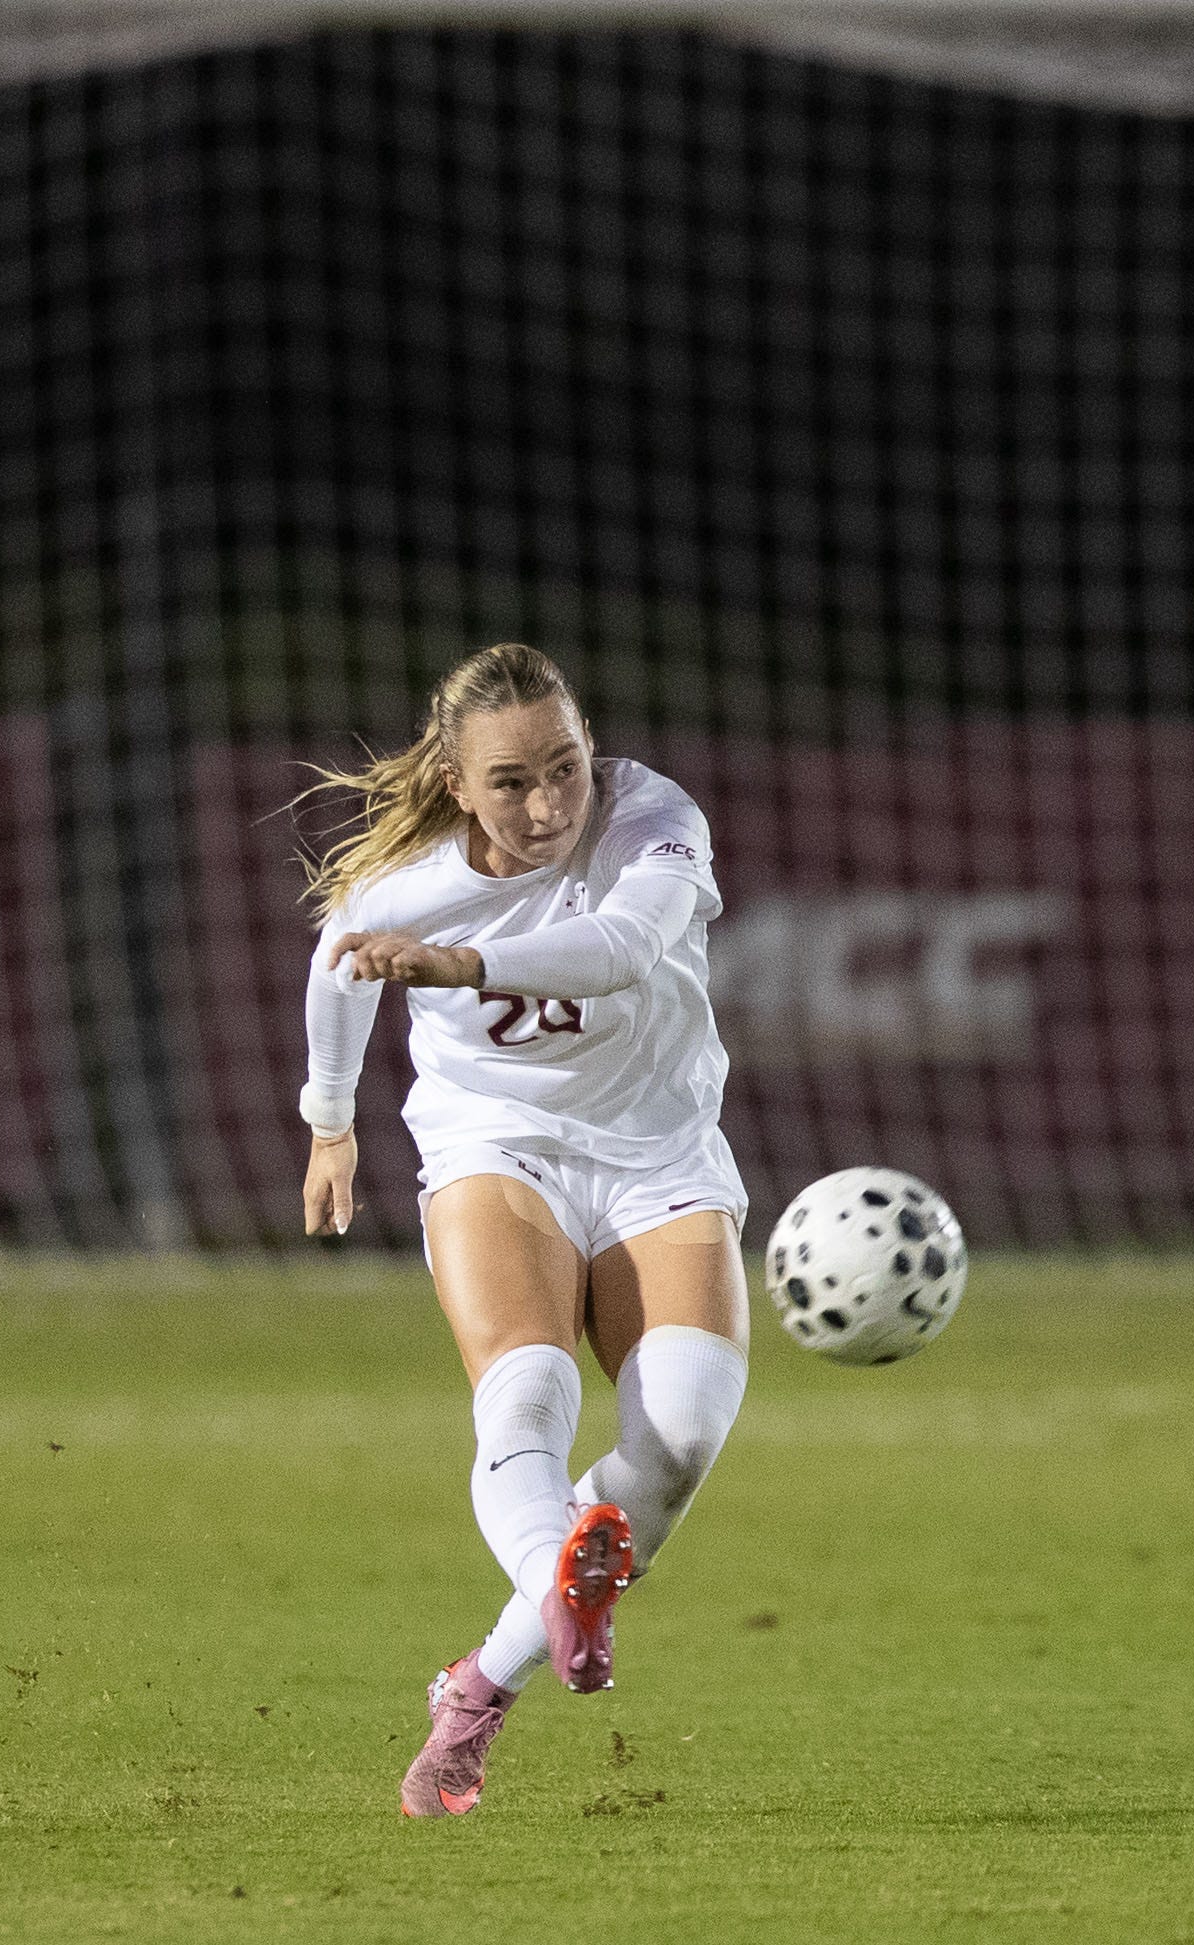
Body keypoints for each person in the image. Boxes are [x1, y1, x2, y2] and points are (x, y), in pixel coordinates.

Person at [298, 642, 751, 1817]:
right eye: (513, 782)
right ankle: (552, 1600)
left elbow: (620, 950)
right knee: (527, 1393)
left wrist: (456, 964)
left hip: (659, 1155)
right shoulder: (408, 883)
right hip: (496, 1149)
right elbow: (338, 965)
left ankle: (482, 1678)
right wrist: (332, 1120)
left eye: (568, 765)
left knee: (682, 1438)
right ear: (458, 781)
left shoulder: (653, 820)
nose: (551, 804)